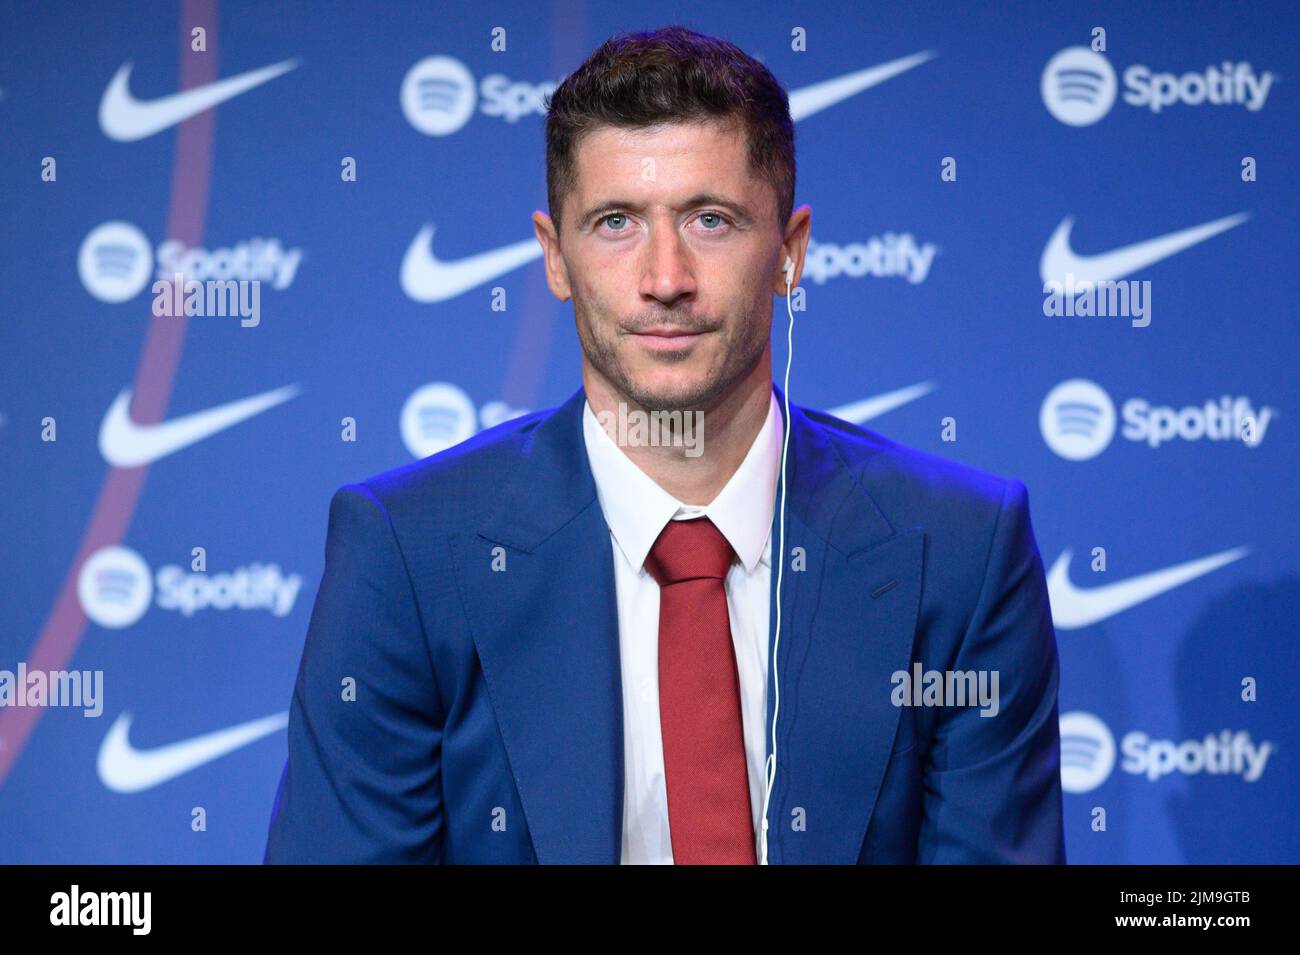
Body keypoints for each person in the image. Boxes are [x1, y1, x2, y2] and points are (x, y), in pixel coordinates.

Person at [264, 24, 1065, 865]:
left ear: (789, 253)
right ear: (554, 256)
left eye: (710, 220)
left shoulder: (963, 552)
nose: (665, 277)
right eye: (616, 222)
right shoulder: (409, 556)